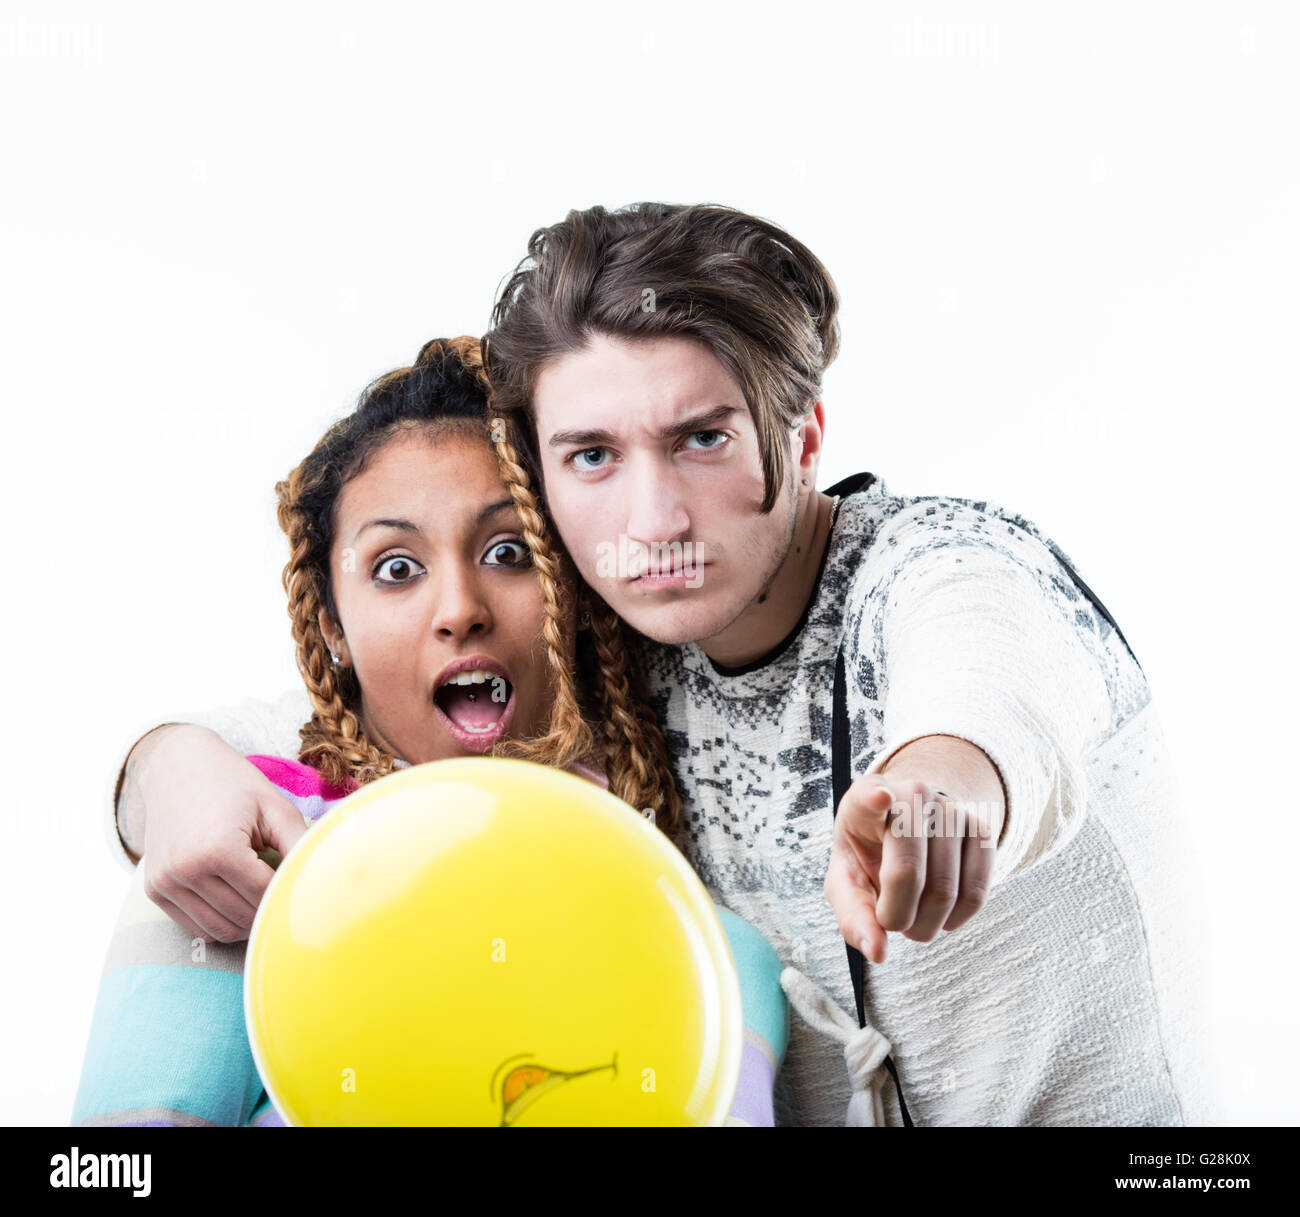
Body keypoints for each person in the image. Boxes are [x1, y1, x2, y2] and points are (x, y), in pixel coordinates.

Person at [108, 204, 1216, 1128]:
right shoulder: (631, 629)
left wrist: (939, 789)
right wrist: (169, 772)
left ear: (805, 434)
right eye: (592, 456)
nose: (651, 517)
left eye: (702, 437)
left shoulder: (945, 568)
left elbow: (993, 690)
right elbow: (340, 732)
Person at [73, 336, 787, 1127]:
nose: (460, 609)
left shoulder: (709, 946)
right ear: (331, 626)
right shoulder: (232, 864)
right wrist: (164, 760)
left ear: (577, 590)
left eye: (511, 551)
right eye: (396, 568)